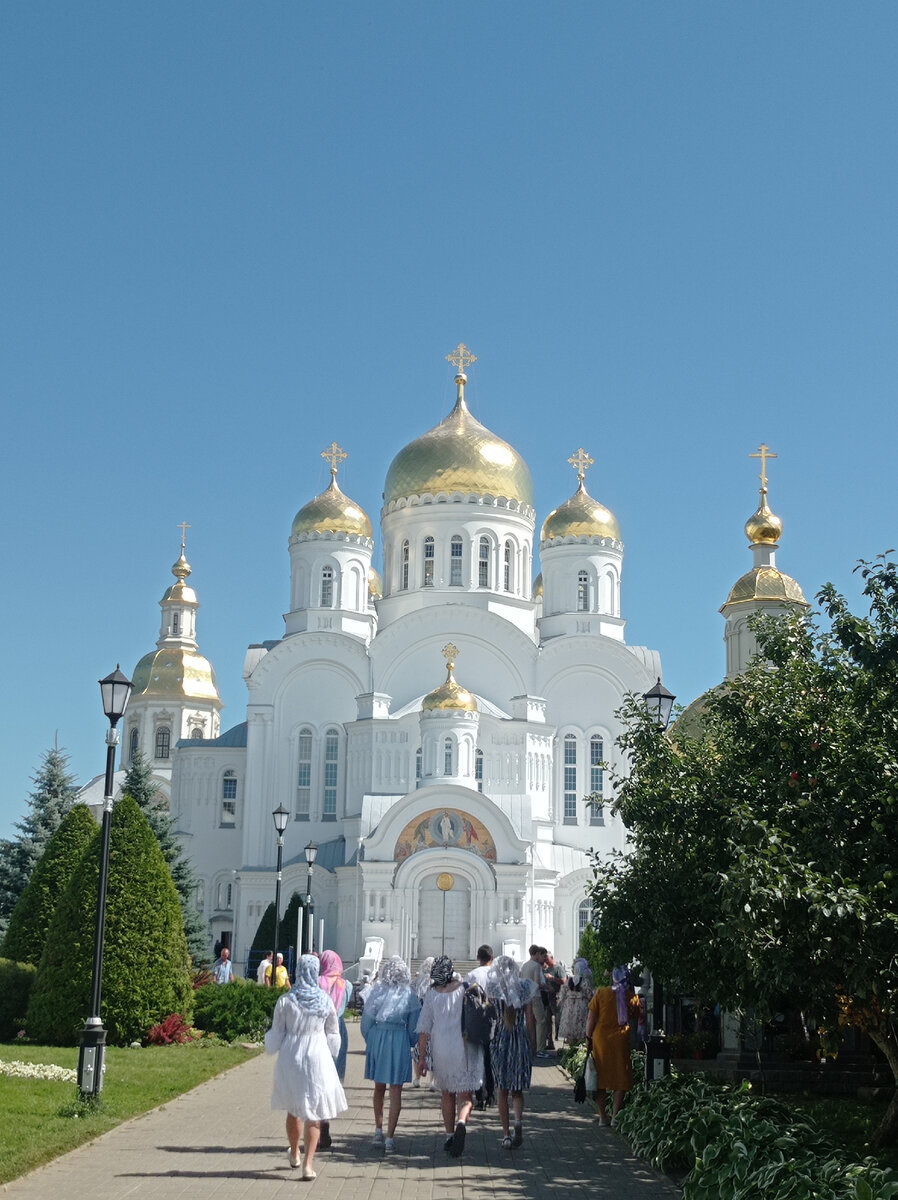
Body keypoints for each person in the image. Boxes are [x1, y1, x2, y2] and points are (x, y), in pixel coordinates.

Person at [264, 954, 347, 1181]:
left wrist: (271, 1044)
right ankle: (309, 1165)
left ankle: (294, 1151)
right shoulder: (324, 1000)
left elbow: (277, 1033)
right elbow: (333, 1032)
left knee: (294, 1108)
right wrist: (333, 1050)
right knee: (314, 1112)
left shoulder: (286, 1000)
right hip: (317, 1055)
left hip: (292, 1055)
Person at [416, 955, 484, 1158]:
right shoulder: (465, 989)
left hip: (441, 1047)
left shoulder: (431, 994)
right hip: (463, 1047)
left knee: (447, 1094)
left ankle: (448, 1135)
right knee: (465, 1095)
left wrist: (421, 1058)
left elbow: (424, 1028)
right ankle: (461, 1122)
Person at [361, 955, 421, 1153]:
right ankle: (390, 1137)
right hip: (399, 1038)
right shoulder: (409, 995)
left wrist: (371, 1040)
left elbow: (366, 1023)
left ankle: (378, 1129)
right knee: (396, 1090)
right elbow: (414, 1027)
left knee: (379, 1087)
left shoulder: (377, 991)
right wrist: (410, 1043)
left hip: (379, 1036)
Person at [486, 955, 537, 1149]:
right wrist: (532, 1043)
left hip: (500, 1038)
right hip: (519, 1037)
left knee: (502, 1089)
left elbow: (490, 1015)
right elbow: (530, 1018)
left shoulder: (493, 988)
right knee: (517, 1088)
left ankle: (506, 1135)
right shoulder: (524, 987)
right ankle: (518, 1121)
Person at [585, 965, 640, 1126]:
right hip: (620, 1040)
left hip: (601, 1040)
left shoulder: (601, 993)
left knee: (600, 1078)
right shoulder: (630, 996)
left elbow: (591, 1019)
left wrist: (588, 1038)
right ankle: (616, 1115)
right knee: (620, 1077)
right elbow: (636, 1016)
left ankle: (602, 1116)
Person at [317, 950, 353, 1150]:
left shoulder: (318, 983)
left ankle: (318, 1124)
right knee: (332, 1079)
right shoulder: (345, 985)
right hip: (339, 1031)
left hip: (319, 1030)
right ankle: (326, 1120)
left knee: (318, 1078)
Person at [520, 945, 549, 1055]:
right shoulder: (536, 966)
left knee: (529, 1023)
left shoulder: (524, 966)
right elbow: (537, 983)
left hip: (526, 997)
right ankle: (540, 1049)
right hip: (535, 996)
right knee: (541, 1021)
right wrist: (546, 987)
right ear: (536, 954)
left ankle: (529, 1047)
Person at [557, 957, 594, 1044]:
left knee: (570, 1030)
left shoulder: (569, 981)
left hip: (569, 1008)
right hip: (582, 1007)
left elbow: (561, 995)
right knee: (581, 1029)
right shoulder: (585, 982)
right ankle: (579, 1050)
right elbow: (590, 996)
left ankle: (571, 1049)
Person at [412, 956, 435, 1087]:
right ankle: (432, 1080)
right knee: (433, 1049)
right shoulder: (437, 983)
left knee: (418, 1049)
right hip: (433, 1021)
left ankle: (417, 1078)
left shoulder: (417, 982)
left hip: (419, 1018)